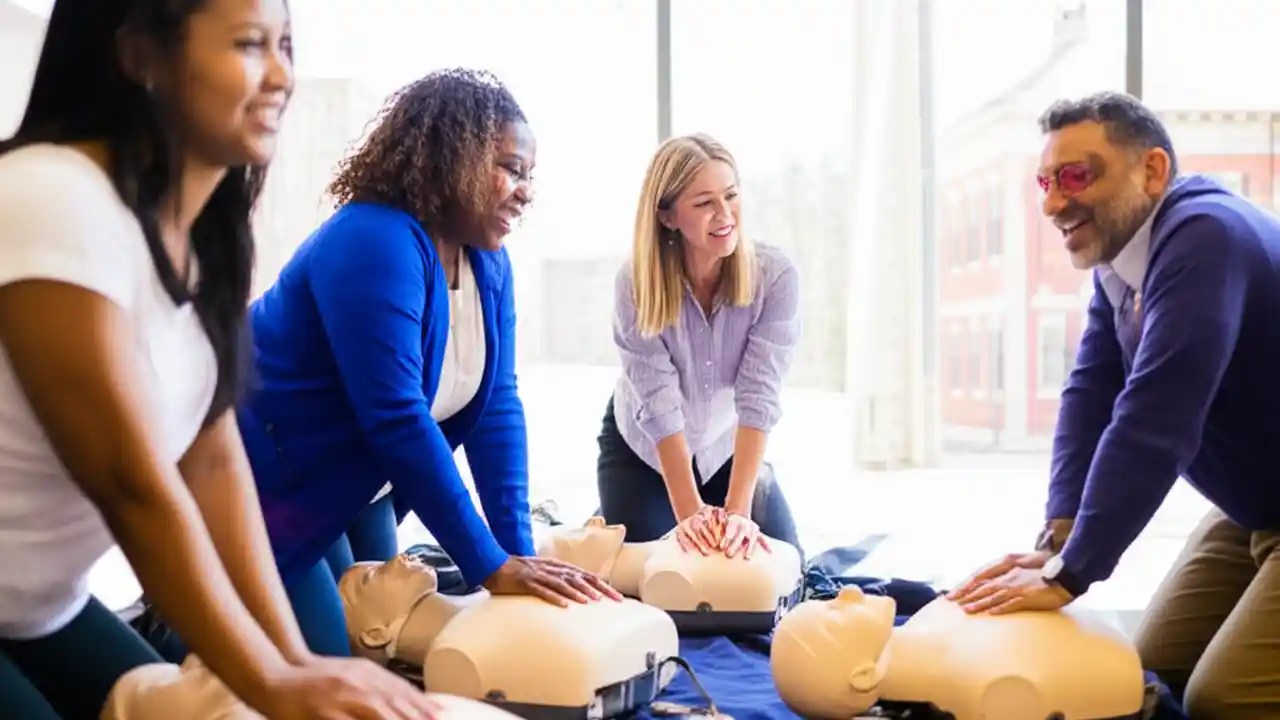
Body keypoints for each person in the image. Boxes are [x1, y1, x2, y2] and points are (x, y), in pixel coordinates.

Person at [0, 1, 439, 719]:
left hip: (41, 603)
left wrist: (293, 662)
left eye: (286, 45)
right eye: (247, 44)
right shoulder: (52, 199)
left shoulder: (197, 240)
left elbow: (212, 459)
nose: (279, 75)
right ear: (140, 53)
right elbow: (131, 482)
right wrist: (269, 680)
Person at [238, 67, 620, 657]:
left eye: (529, 176)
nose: (525, 190)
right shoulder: (373, 239)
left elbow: (496, 407)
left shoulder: (489, 264)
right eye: (511, 170)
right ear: (454, 159)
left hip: (353, 480)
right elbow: (396, 416)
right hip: (263, 478)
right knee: (324, 657)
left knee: (377, 640)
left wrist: (515, 554)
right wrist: (486, 564)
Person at [947, 91, 1280, 718]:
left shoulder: (1205, 237)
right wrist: (1059, 535)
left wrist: (1073, 572)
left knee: (1226, 699)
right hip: (1255, 507)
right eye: (1045, 181)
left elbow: (1155, 419)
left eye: (1077, 175)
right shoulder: (1124, 262)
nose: (1052, 202)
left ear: (1151, 171)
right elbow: (1090, 390)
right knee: (1137, 672)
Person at [597, 133, 803, 561]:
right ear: (668, 217)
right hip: (646, 450)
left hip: (723, 447)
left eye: (731, 195)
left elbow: (758, 394)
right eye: (704, 202)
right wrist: (689, 517)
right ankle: (613, 512)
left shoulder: (776, 277)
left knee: (785, 567)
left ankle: (724, 499)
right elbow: (658, 404)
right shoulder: (635, 284)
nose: (725, 214)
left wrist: (739, 512)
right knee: (661, 575)